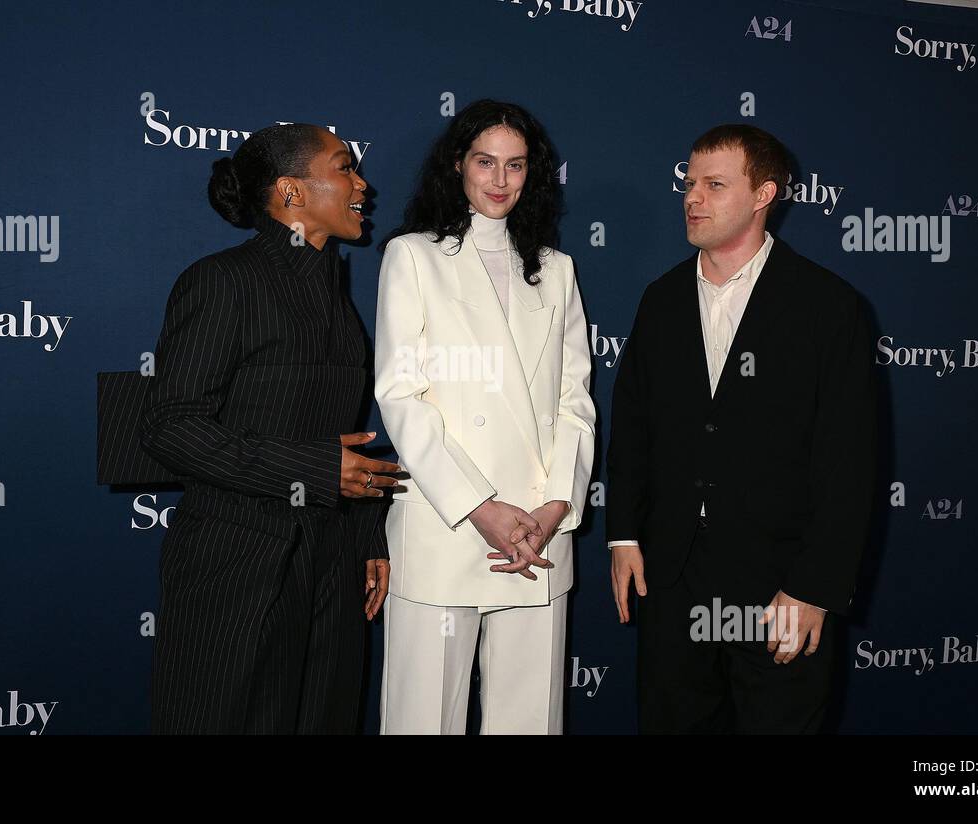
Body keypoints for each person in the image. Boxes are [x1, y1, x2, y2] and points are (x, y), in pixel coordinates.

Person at [607, 124, 877, 734]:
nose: (691, 197)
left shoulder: (828, 306)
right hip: (671, 583)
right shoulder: (661, 299)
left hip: (778, 587)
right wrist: (623, 535)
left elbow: (848, 461)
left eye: (714, 184)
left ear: (764, 195)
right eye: (689, 183)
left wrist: (814, 586)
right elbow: (634, 426)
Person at [140, 123, 400, 734]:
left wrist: (366, 538)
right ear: (291, 192)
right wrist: (312, 468)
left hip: (330, 571)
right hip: (238, 569)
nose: (363, 184)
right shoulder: (222, 280)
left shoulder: (335, 296)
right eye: (344, 168)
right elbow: (170, 427)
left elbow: (343, 437)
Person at [374, 99, 596, 734]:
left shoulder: (557, 272)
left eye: (516, 165)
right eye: (485, 162)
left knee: (529, 722)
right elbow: (402, 396)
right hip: (447, 526)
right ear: (458, 165)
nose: (500, 180)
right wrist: (479, 506)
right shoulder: (413, 256)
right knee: (423, 722)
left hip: (538, 537)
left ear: (533, 175)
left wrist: (556, 506)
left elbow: (574, 400)